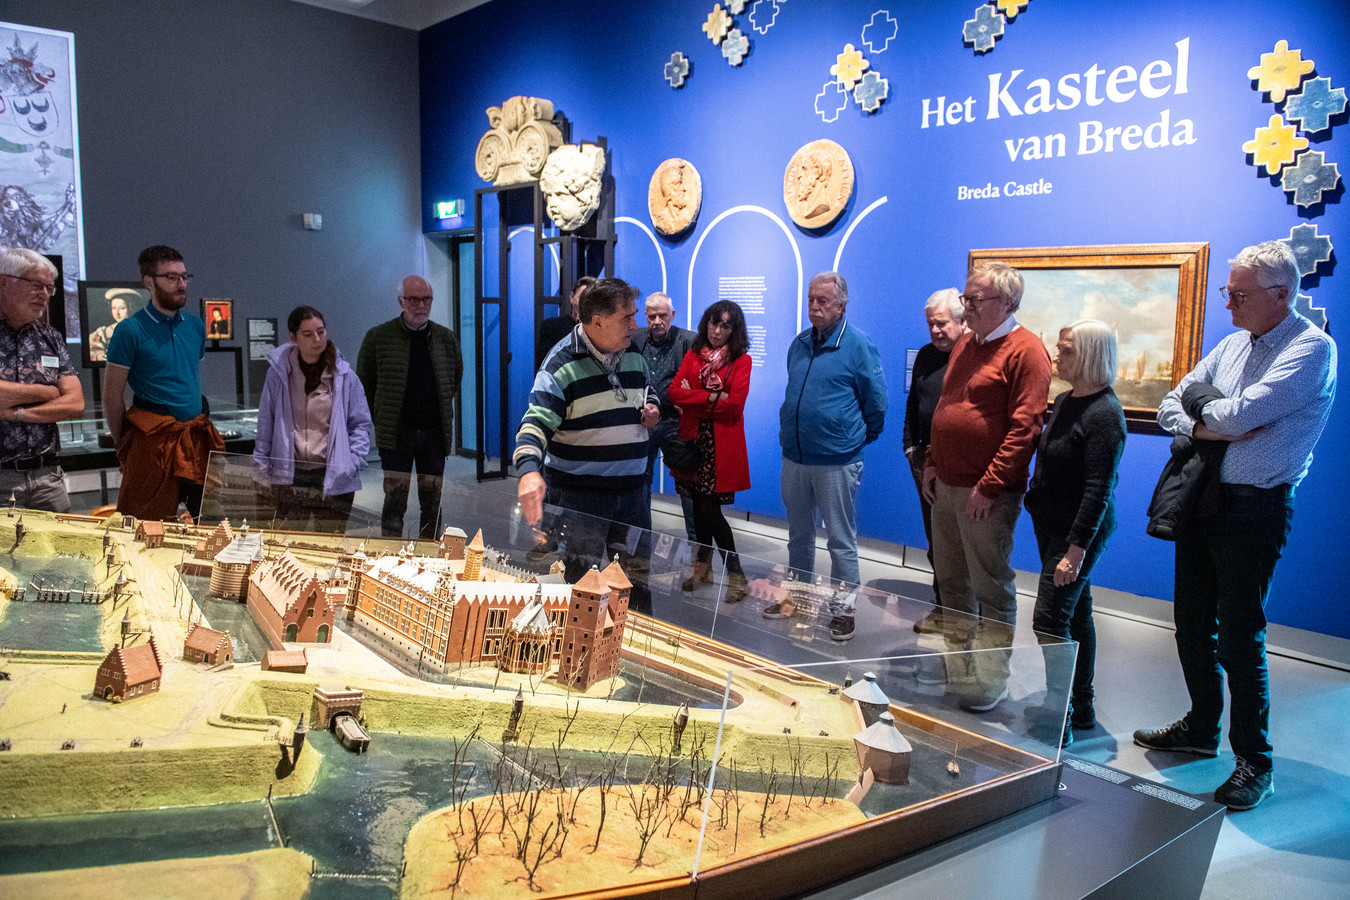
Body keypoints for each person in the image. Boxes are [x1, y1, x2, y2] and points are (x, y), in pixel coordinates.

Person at [1135, 241, 1336, 811]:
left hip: (1255, 509)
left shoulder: (1311, 349)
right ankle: (1201, 729)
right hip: (1205, 498)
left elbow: (1241, 415)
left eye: (1239, 294)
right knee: (1190, 622)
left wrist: (1212, 410)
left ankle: (1255, 760)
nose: (1228, 304)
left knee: (1241, 637)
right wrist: (1208, 416)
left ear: (1282, 294)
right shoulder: (1230, 345)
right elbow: (1173, 403)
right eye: (1227, 291)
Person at [921, 261, 1051, 711]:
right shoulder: (967, 345)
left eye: (976, 299)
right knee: (952, 585)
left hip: (984, 496)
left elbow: (1025, 428)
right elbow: (948, 405)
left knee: (990, 590)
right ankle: (961, 673)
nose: (967, 306)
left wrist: (990, 486)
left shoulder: (1026, 351)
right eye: (966, 297)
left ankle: (990, 681)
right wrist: (933, 462)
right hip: (947, 486)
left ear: (1007, 303)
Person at [515, 278, 660, 607]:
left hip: (633, 494)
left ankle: (633, 655)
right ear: (597, 321)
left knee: (634, 588)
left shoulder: (632, 352)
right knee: (579, 592)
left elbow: (647, 389)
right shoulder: (560, 366)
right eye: (627, 318)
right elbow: (534, 423)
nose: (636, 326)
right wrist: (528, 471)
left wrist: (653, 408)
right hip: (581, 499)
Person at [1023, 320, 1126, 748]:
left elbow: (1098, 490)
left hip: (1076, 535)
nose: (1056, 355)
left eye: (1065, 349)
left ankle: (1059, 710)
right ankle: (1081, 706)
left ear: (1088, 355)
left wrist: (1075, 551)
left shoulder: (1106, 415)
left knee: (1049, 619)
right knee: (1075, 614)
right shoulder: (1066, 401)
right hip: (1051, 527)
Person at [774, 271, 887, 642]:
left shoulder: (857, 346)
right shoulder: (800, 344)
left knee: (840, 539)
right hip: (796, 457)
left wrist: (849, 440)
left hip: (837, 460)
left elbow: (877, 405)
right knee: (799, 535)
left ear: (842, 304)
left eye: (823, 300)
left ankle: (842, 609)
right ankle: (798, 598)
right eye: (811, 299)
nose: (815, 307)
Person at [104, 245, 224, 521]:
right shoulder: (129, 330)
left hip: (194, 439)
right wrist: (124, 447)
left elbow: (187, 378)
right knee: (147, 526)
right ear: (149, 282)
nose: (181, 284)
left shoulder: (194, 326)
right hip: (153, 443)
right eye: (171, 277)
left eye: (184, 276)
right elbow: (112, 396)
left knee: (213, 523)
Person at [356, 275, 463, 539]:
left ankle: (428, 560)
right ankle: (391, 557)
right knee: (395, 501)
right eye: (413, 299)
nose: (420, 305)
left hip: (434, 436)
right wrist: (381, 417)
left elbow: (455, 378)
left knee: (432, 503)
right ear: (401, 301)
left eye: (426, 299)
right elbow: (364, 384)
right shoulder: (379, 337)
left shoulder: (445, 338)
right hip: (396, 435)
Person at [254, 306, 373, 533]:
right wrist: (261, 468)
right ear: (293, 337)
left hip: (333, 475)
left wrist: (352, 462)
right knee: (287, 544)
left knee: (330, 544)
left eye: (321, 331)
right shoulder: (278, 375)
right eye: (308, 334)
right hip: (290, 474)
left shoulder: (344, 375)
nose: (317, 339)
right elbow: (266, 423)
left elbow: (360, 424)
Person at [668, 300, 752, 602]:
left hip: (719, 449)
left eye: (725, 325)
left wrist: (694, 398)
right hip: (693, 444)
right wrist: (712, 396)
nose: (717, 330)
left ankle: (737, 577)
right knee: (699, 513)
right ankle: (703, 572)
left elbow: (734, 406)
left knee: (709, 511)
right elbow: (674, 391)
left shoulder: (742, 360)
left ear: (734, 329)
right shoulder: (693, 353)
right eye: (714, 323)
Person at [0, 248, 84, 512]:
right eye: (37, 285)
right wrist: (46, 393)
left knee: (59, 552)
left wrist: (17, 413)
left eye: (50, 288)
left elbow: (75, 404)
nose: (45, 295)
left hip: (47, 477)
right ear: (4, 281)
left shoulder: (51, 337)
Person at [905, 288, 966, 635]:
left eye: (941, 324)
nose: (935, 331)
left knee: (959, 546)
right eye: (931, 325)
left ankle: (962, 618)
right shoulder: (927, 356)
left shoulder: (971, 355)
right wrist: (910, 447)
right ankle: (942, 608)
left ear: (961, 320)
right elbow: (914, 404)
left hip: (958, 466)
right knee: (935, 542)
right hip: (924, 462)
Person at [630, 291, 695, 540]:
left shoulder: (689, 341)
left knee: (687, 486)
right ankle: (640, 542)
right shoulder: (635, 339)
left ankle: (698, 549)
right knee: (640, 482)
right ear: (645, 315)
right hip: (643, 421)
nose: (657, 321)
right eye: (652, 316)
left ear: (673, 315)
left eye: (663, 315)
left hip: (674, 421)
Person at [536, 276, 595, 370]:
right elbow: (544, 365)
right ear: (572, 297)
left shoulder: (599, 330)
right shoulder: (552, 327)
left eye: (591, 300)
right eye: (582, 297)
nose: (585, 303)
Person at [89, 290, 133, 363]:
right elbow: (92, 349)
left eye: (122, 308)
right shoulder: (104, 332)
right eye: (114, 308)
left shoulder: (141, 330)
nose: (117, 313)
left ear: (130, 308)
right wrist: (99, 355)